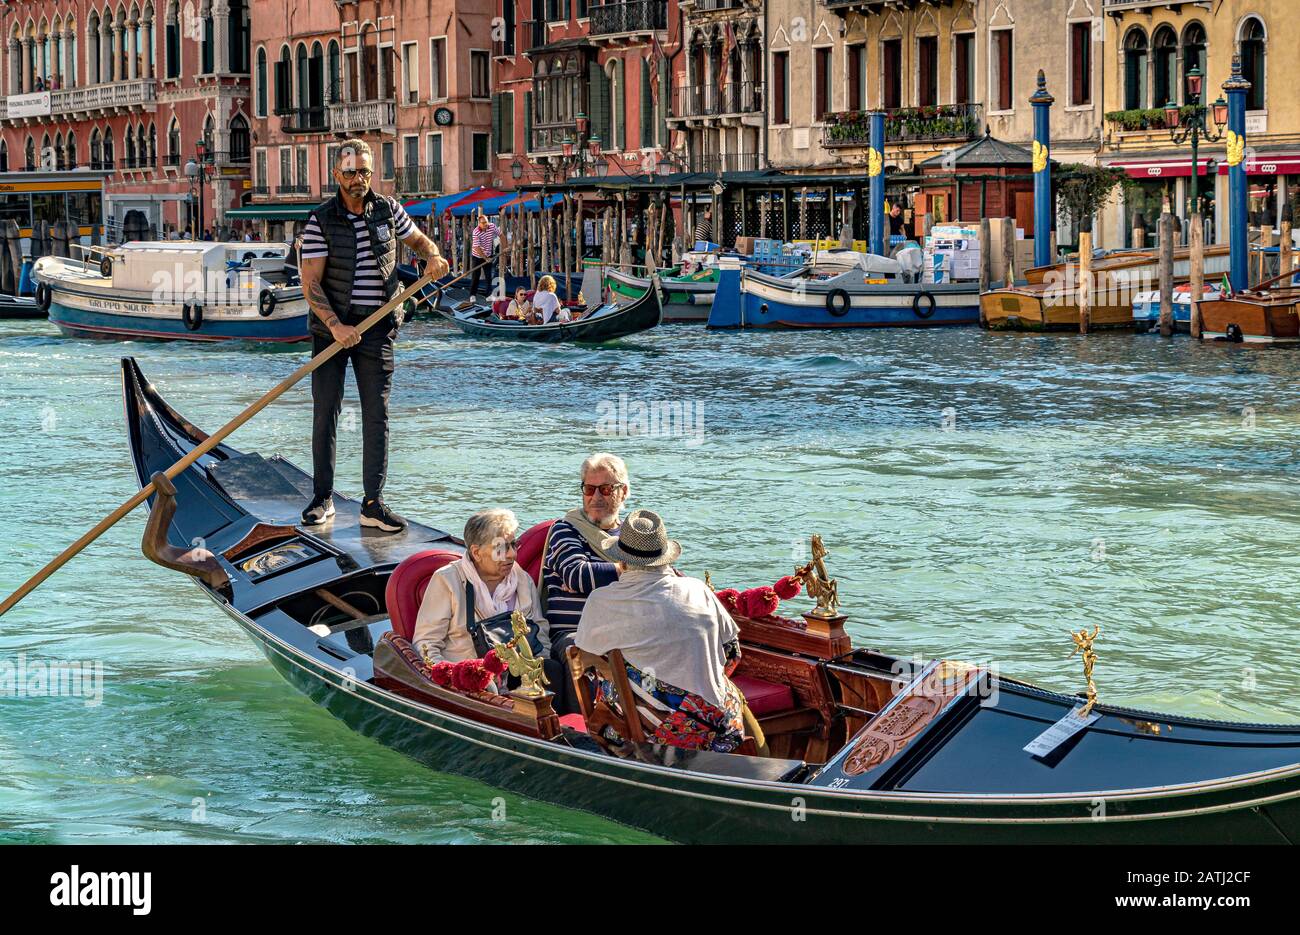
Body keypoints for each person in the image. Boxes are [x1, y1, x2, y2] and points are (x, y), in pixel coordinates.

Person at [298, 138, 449, 532]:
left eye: (364, 171)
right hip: (332, 330)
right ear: (337, 175)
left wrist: (432, 255)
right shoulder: (320, 220)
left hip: (379, 328)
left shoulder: (388, 210)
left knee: (376, 416)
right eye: (350, 172)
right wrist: (336, 327)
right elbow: (310, 284)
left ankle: (372, 503)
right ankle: (322, 498)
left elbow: (417, 239)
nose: (357, 179)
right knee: (326, 411)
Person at [574, 509, 748, 753]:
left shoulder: (602, 600)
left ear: (621, 562)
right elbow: (732, 653)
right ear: (665, 558)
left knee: (605, 675)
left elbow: (583, 664)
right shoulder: (698, 589)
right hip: (726, 724)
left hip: (661, 733)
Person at [413, 508, 574, 712]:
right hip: (469, 681)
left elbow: (539, 632)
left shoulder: (521, 579)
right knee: (486, 684)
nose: (512, 555)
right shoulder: (447, 580)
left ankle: (564, 729)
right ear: (476, 552)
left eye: (513, 545)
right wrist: (455, 677)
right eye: (501, 548)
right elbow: (425, 644)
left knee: (551, 670)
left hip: (518, 676)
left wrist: (535, 674)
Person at [541, 453, 628, 664]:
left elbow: (660, 575)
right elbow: (576, 575)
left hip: (625, 631)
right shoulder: (566, 529)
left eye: (605, 489)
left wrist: (599, 575)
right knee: (589, 656)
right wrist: (629, 570)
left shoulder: (633, 535)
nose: (596, 497)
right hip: (574, 634)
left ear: (623, 492)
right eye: (589, 489)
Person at [468, 213, 502, 304]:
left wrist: (505, 247)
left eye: (486, 222)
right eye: (483, 223)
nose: (485, 224)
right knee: (476, 276)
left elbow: (501, 235)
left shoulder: (492, 226)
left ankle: (488, 296)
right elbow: (477, 248)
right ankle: (472, 295)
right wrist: (485, 258)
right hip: (477, 256)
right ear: (479, 223)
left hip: (488, 254)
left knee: (488, 276)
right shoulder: (476, 232)